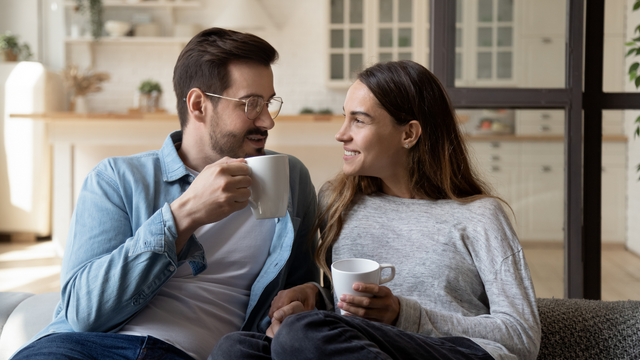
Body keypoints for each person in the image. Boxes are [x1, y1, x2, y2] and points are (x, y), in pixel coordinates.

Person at [11, 28, 318, 360]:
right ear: (199, 105)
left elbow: (304, 289)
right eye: (251, 104)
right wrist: (183, 215)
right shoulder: (117, 178)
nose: (268, 121)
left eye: (269, 102)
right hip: (81, 348)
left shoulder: (290, 179)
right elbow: (83, 312)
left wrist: (306, 297)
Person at [211, 60, 541, 360]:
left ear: (409, 133)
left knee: (302, 335)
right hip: (370, 349)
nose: (341, 134)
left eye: (359, 120)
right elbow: (350, 324)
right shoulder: (339, 203)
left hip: (457, 352)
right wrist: (317, 297)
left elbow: (522, 336)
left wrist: (403, 315)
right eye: (345, 117)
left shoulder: (480, 216)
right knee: (235, 348)